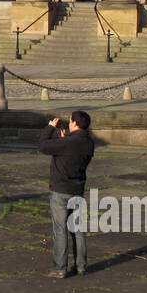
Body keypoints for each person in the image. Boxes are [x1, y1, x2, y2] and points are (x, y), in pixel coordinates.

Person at [38, 110, 96, 278]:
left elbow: (43, 146)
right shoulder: (89, 143)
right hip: (78, 189)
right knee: (78, 230)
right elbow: (70, 152)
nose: (69, 124)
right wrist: (64, 140)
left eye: (71, 121)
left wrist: (50, 128)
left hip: (61, 190)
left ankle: (59, 268)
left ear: (75, 123)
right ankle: (81, 266)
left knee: (60, 229)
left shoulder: (68, 143)